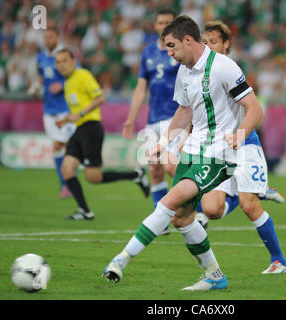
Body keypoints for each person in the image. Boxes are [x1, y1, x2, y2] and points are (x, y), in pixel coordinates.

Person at [103, 15, 263, 290]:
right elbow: (183, 111)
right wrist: (163, 144)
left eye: (172, 46)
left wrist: (240, 134)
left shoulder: (224, 67)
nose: (169, 54)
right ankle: (214, 275)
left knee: (170, 199)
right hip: (192, 150)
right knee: (182, 217)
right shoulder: (184, 71)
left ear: (188, 40)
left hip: (219, 154)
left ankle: (121, 259)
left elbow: (255, 108)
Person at [195, 20, 286, 274]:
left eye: (213, 41)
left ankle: (280, 261)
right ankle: (256, 189)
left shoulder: (229, 69)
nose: (208, 46)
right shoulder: (198, 73)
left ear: (226, 44)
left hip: (244, 142)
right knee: (212, 210)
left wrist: (239, 135)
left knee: (249, 205)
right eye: (204, 42)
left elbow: (254, 109)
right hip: (219, 146)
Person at [54, 48, 150, 220]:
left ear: (73, 61)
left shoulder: (82, 75)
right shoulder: (67, 82)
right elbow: (79, 108)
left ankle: (136, 174)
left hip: (91, 129)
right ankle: (85, 211)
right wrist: (68, 119)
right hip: (80, 129)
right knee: (67, 169)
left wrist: (80, 115)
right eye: (58, 62)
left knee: (93, 177)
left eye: (64, 61)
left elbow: (100, 98)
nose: (61, 65)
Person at [122, 9, 179, 235]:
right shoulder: (147, 53)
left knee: (170, 165)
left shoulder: (180, 51)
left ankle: (197, 206)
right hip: (153, 118)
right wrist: (130, 119)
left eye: (168, 22)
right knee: (155, 169)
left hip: (174, 117)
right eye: (160, 22)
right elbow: (140, 88)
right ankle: (161, 221)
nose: (164, 26)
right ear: (154, 25)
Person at [29, 27, 76, 199]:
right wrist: (35, 87)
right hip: (49, 109)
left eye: (50, 37)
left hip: (65, 108)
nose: (47, 40)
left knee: (66, 146)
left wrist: (62, 85)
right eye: (45, 37)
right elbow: (42, 77)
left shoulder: (65, 55)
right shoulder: (41, 57)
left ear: (57, 36)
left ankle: (69, 182)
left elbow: (75, 75)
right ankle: (65, 184)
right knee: (57, 146)